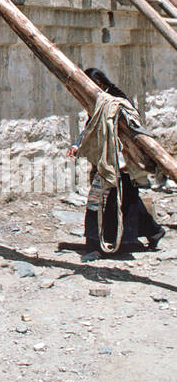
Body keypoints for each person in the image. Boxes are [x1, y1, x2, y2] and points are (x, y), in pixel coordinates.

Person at [68, 67, 166, 253]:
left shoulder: (115, 103)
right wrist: (77, 145)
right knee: (118, 198)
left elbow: (132, 128)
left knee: (121, 198)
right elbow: (92, 126)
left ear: (101, 84)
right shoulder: (100, 103)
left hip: (122, 159)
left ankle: (122, 239)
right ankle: (145, 234)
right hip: (109, 158)